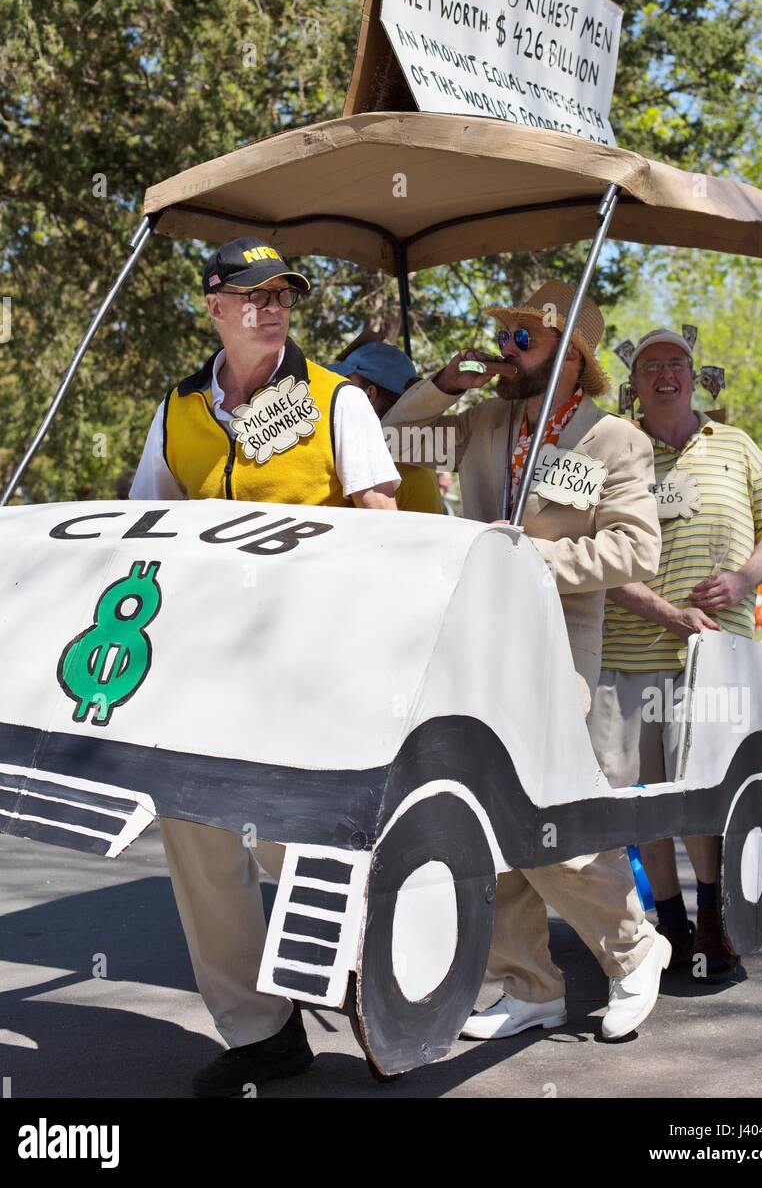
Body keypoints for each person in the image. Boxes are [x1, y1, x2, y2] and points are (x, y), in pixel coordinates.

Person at [130, 237, 399, 1096]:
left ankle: (383, 979)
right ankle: (262, 1033)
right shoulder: (176, 409)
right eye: (251, 292)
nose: (271, 304)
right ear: (212, 305)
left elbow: (382, 524)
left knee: (303, 842)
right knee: (199, 838)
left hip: (312, 668)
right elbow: (146, 525)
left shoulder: (336, 399)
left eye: (283, 291)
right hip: (203, 669)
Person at [382, 278, 670, 1042]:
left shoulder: (617, 439)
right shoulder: (482, 421)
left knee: (546, 813)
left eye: (525, 338)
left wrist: (529, 560)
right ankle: (529, 984)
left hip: (554, 653)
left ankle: (635, 950)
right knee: (482, 819)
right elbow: (388, 442)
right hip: (472, 648)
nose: (509, 349)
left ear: (572, 356)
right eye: (508, 336)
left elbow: (637, 548)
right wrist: (442, 385)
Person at [588, 328, 762, 982]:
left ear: (694, 375)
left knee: (705, 794)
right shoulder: (615, 446)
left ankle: (714, 918)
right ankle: (668, 924)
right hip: (626, 654)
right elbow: (591, 555)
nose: (666, 374)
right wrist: (663, 610)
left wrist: (740, 581)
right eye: (652, 366)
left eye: (677, 363)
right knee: (645, 797)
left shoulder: (734, 445)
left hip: (716, 658)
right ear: (635, 381)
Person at [327, 341, 443, 513]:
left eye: (345, 384)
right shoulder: (409, 447)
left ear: (369, 394)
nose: (337, 392)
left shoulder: (380, 457)